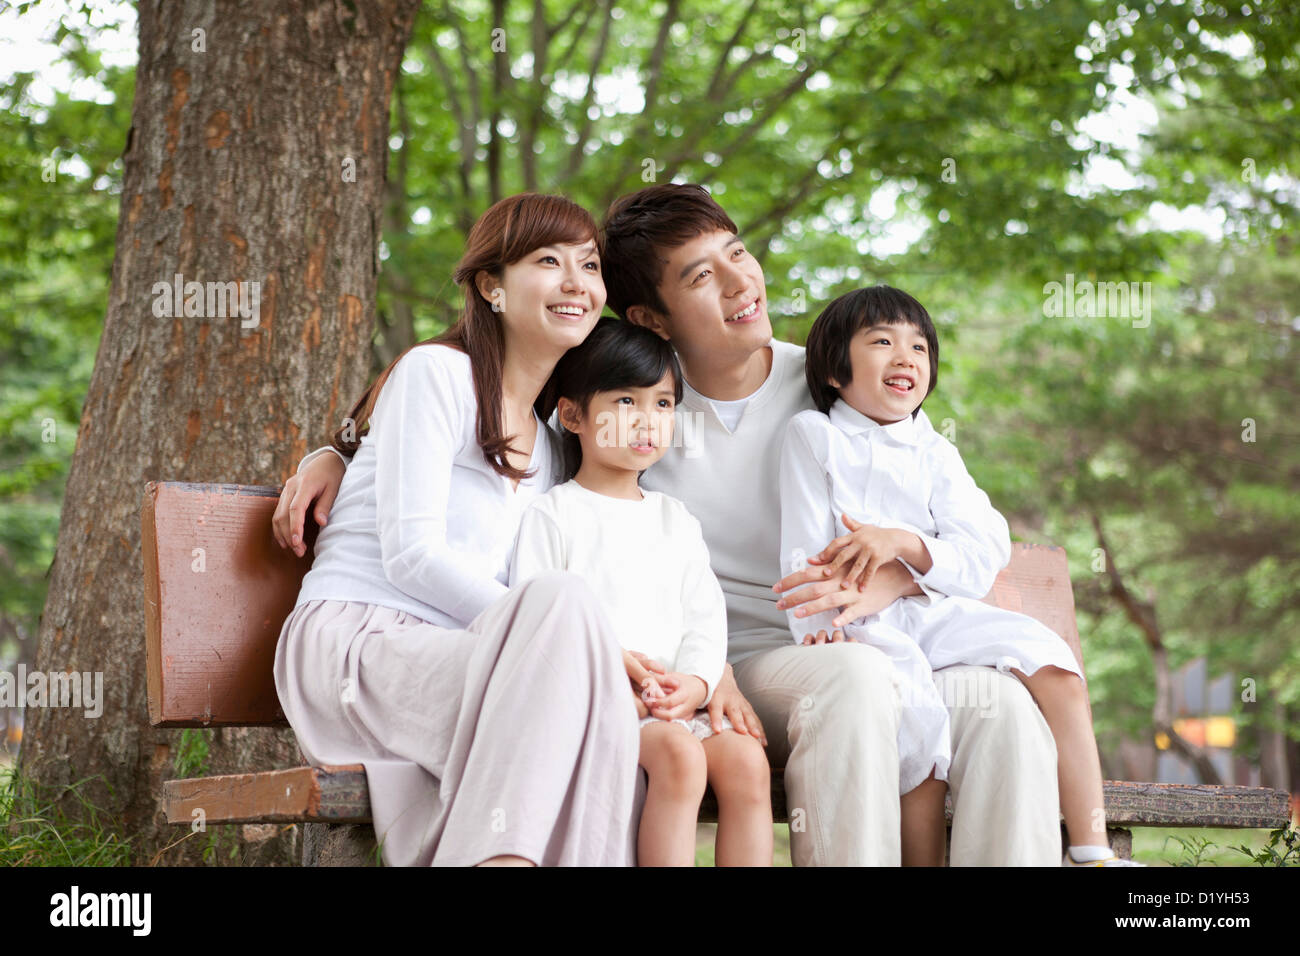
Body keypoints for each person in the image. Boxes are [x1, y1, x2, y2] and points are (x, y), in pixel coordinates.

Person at [284, 184, 1063, 866]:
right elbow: (468, 395)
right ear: (649, 316)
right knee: (846, 686)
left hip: (875, 638)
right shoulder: (634, 398)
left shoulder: (831, 382)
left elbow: (949, 507)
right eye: (701, 276)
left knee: (1001, 711)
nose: (739, 283)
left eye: (738, 254)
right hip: (736, 662)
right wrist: (341, 452)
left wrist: (894, 572)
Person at [270, 193, 642, 866]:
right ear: (491, 285)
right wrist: (546, 638)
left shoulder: (558, 446)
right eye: (548, 261)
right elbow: (411, 556)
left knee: (601, 702)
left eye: (589, 266)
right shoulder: (436, 373)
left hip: (467, 659)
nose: (575, 284)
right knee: (568, 635)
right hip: (363, 646)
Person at [780, 284, 1140, 867]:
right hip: (861, 625)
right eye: (882, 342)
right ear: (834, 373)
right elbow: (801, 554)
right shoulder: (814, 437)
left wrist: (907, 544)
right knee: (921, 737)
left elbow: (984, 548)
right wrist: (820, 631)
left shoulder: (933, 449)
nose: (905, 358)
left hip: (936, 612)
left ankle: (1091, 851)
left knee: (1057, 668)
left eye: (919, 347)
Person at [509, 317, 772, 866]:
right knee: (679, 754)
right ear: (574, 414)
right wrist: (615, 686)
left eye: (663, 404)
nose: (647, 421)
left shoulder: (676, 519)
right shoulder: (553, 514)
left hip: (677, 700)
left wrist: (697, 684)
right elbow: (538, 622)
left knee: (747, 761)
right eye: (626, 401)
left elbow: (705, 615)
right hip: (600, 703)